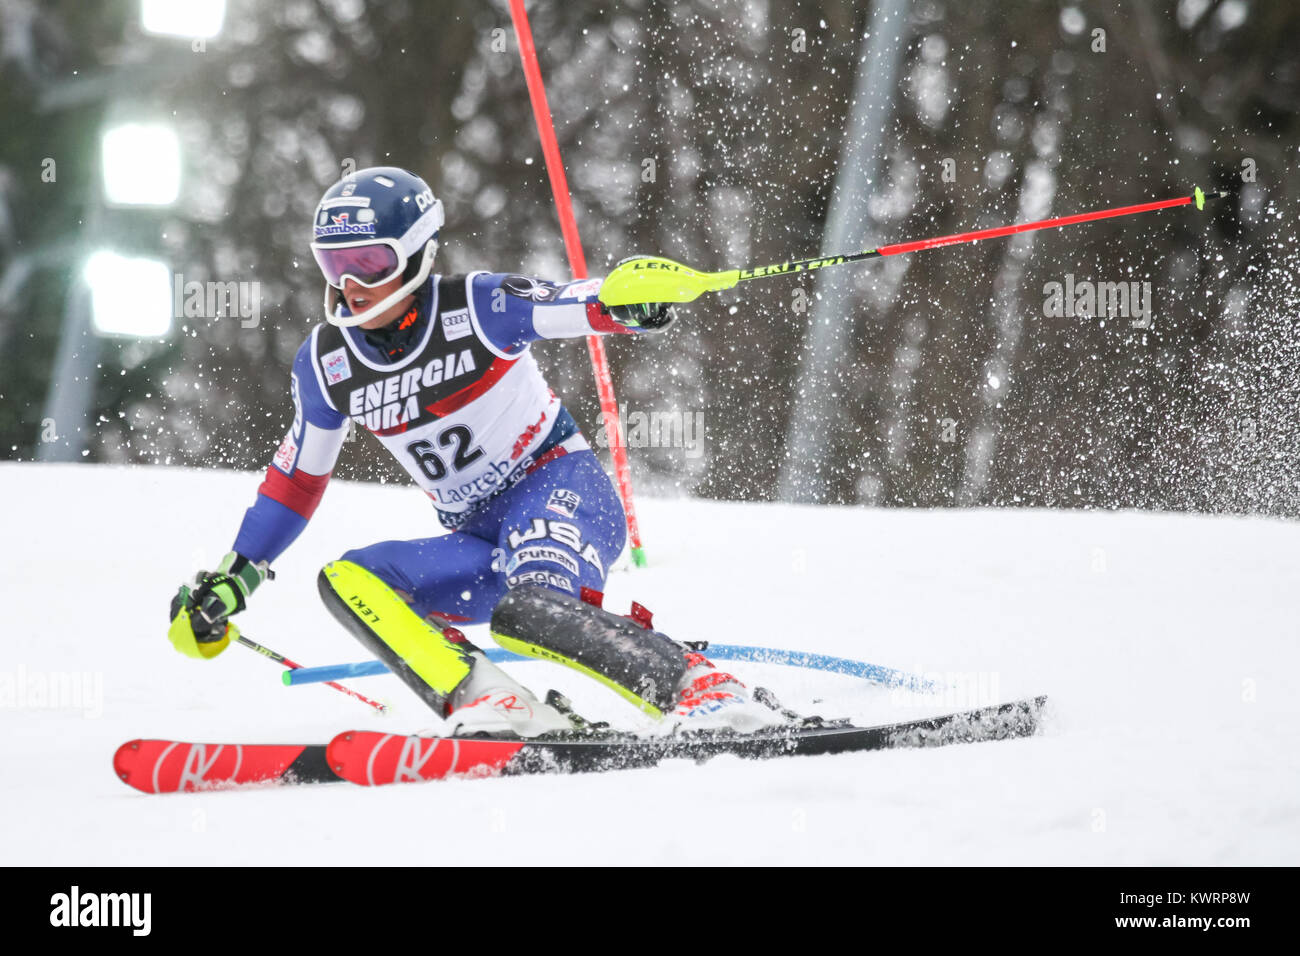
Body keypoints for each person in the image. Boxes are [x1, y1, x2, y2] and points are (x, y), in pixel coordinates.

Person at [168, 166, 781, 736]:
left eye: (369, 262)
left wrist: (629, 302)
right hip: (477, 541)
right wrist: (234, 577)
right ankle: (495, 701)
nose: (350, 286)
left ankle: (703, 686)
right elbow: (297, 482)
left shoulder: (479, 306)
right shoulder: (328, 363)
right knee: (350, 580)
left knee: (531, 606)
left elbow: (573, 304)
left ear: (415, 254)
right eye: (334, 265)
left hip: (560, 491)